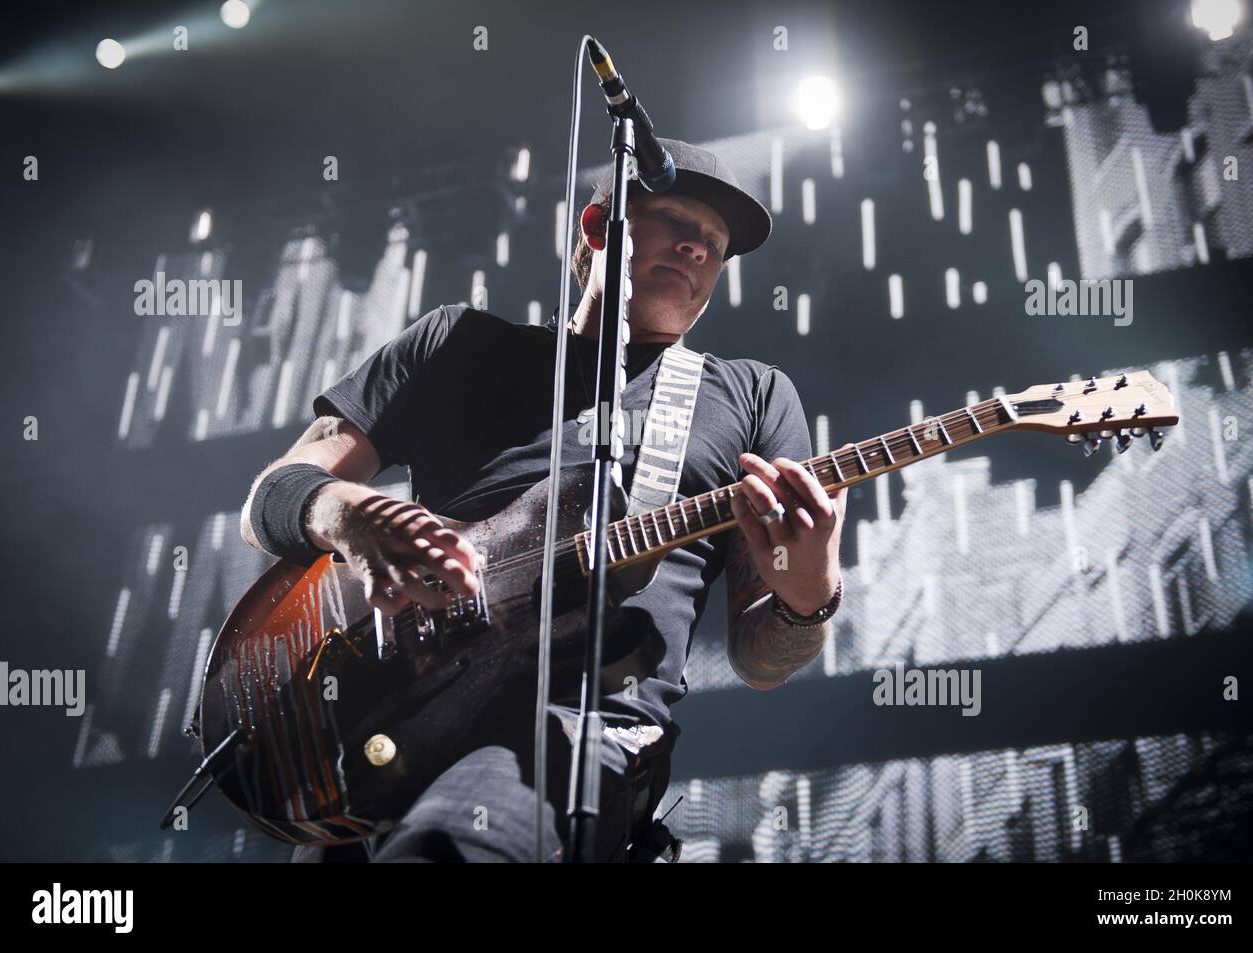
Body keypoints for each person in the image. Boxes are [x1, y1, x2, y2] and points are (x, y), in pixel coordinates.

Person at [239, 138, 848, 862]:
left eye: (714, 246)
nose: (697, 250)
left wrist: (809, 590)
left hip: (575, 730)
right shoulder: (456, 344)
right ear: (598, 227)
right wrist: (346, 513)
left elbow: (763, 662)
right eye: (679, 223)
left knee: (445, 850)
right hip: (392, 703)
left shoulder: (751, 395)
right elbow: (269, 499)